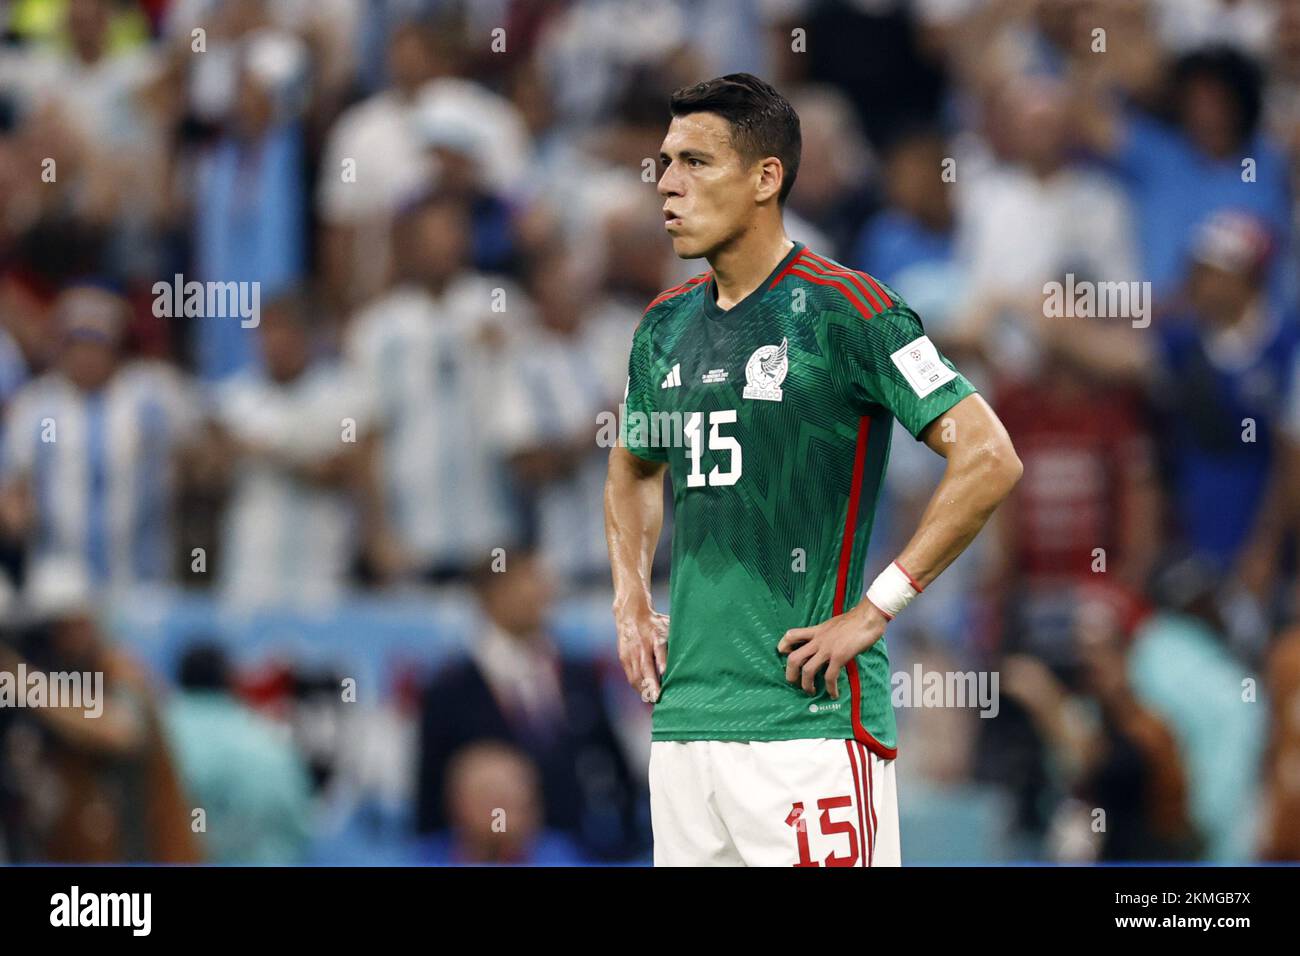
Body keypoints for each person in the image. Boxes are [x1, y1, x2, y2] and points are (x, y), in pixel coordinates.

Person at [604, 73, 1022, 867]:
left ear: (767, 178)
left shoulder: (851, 312)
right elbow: (632, 469)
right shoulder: (661, 330)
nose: (665, 184)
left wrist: (876, 610)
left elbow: (989, 456)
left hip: (810, 727)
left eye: (695, 162)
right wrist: (630, 601)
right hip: (687, 723)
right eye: (663, 163)